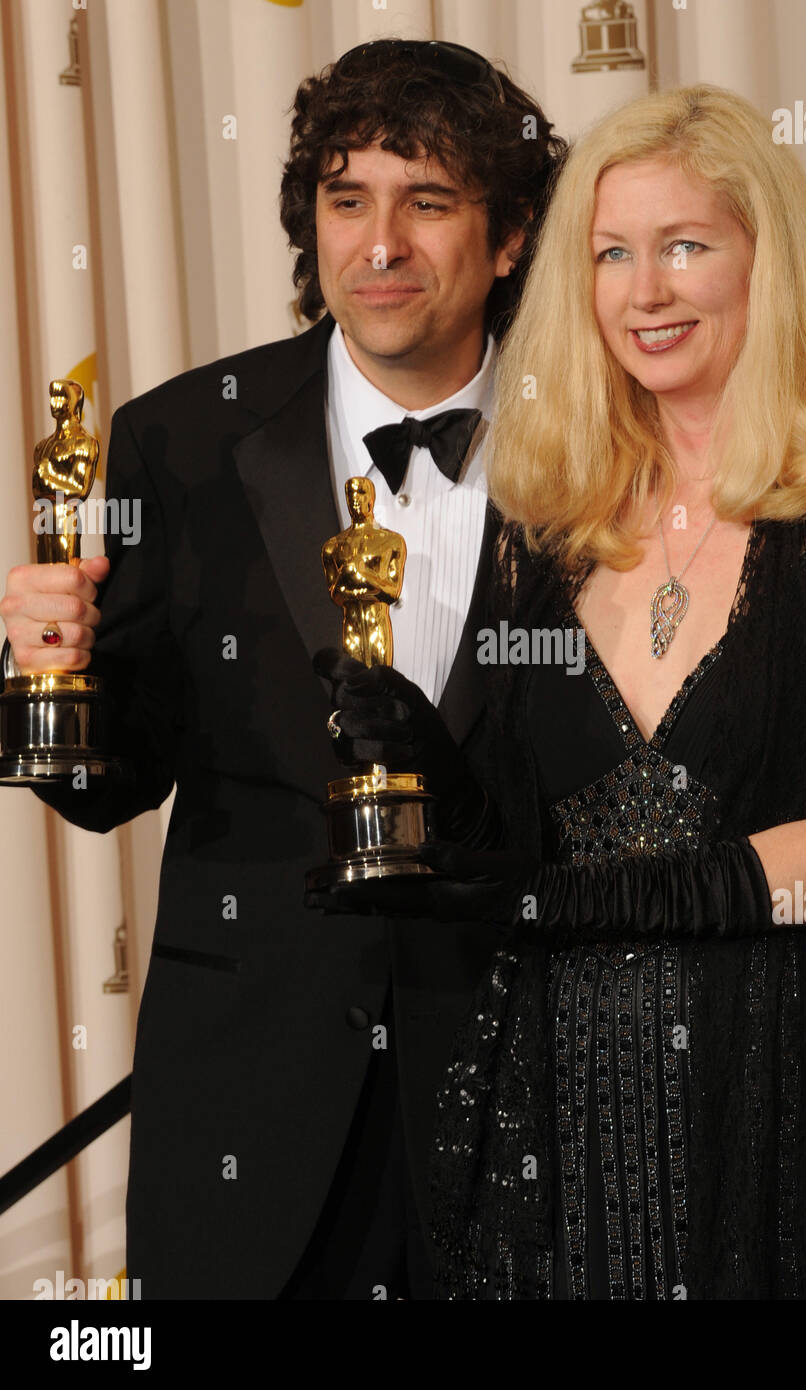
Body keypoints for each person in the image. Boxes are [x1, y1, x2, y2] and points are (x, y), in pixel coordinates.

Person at [326, 84, 806, 1299]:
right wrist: (431, 773)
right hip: (550, 1108)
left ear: (768, 265)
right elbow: (516, 852)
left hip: (772, 1091)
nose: (644, 292)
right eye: (610, 255)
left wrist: (560, 898)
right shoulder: (542, 528)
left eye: (685, 247)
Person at [0, 39, 563, 1298]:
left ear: (512, 234)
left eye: (429, 201)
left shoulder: (601, 445)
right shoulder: (178, 440)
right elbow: (111, 778)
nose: (381, 245)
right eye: (347, 199)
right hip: (251, 1098)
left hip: (528, 1090)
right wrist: (49, 671)